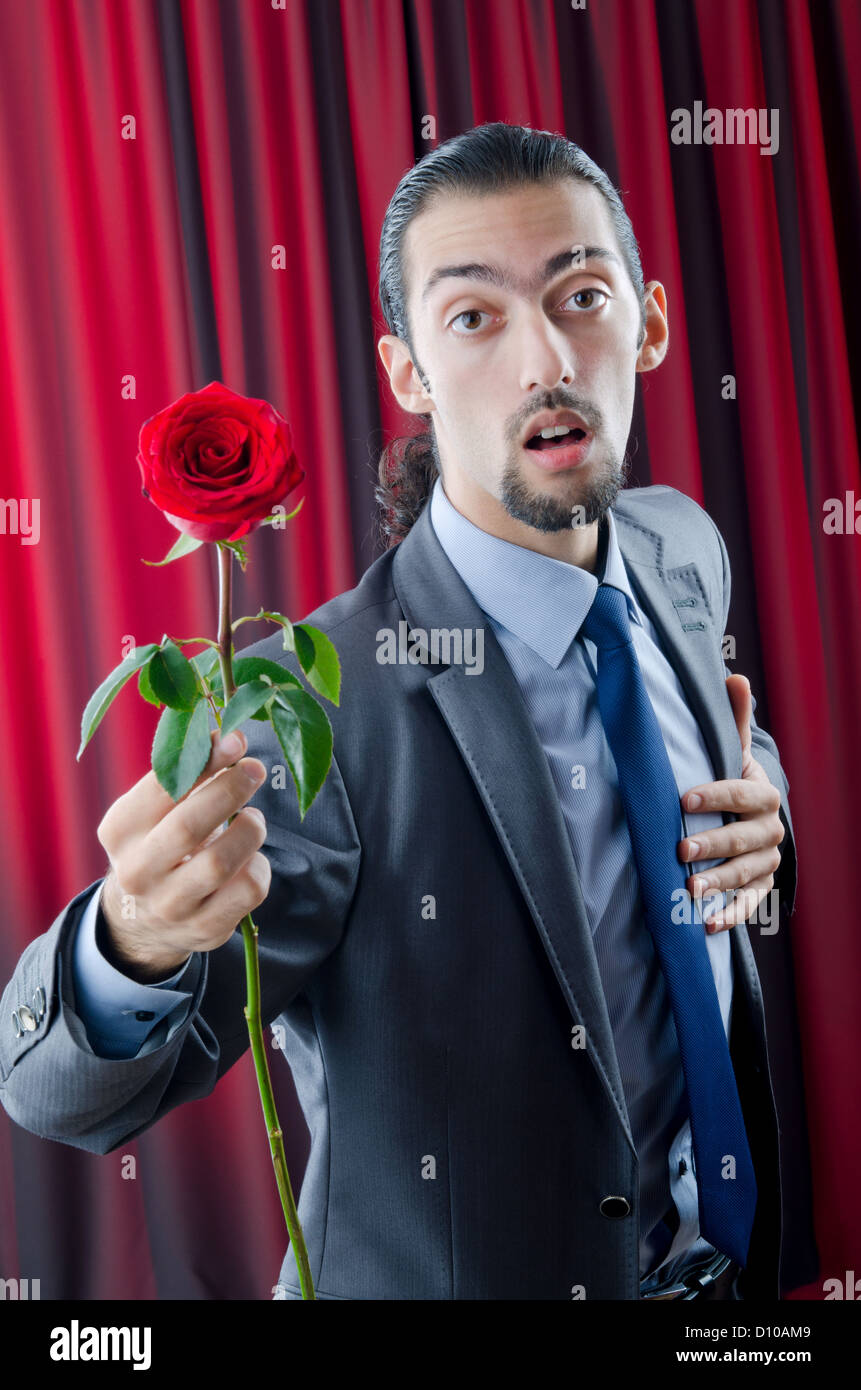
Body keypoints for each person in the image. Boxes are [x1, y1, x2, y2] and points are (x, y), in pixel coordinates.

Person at [0, 123, 795, 1301]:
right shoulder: (318, 707)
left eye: (580, 295)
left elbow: (704, 723)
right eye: (474, 316)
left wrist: (760, 782)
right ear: (409, 372)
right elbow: (60, 1093)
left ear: (652, 321)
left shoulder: (682, 543)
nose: (543, 361)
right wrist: (132, 944)